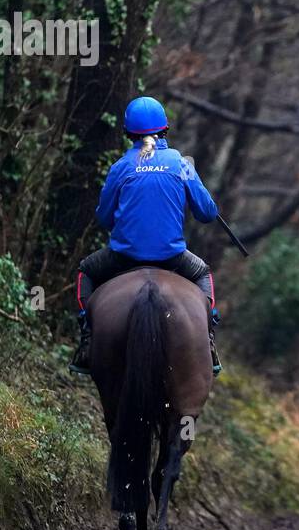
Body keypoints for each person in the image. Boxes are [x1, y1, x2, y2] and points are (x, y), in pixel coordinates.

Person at [69, 95, 222, 375]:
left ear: (129, 133)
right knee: (202, 275)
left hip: (123, 257)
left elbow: (103, 218)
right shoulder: (181, 163)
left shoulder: (120, 167)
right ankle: (209, 339)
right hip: (172, 257)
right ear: (164, 130)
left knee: (86, 273)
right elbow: (207, 214)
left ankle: (87, 339)